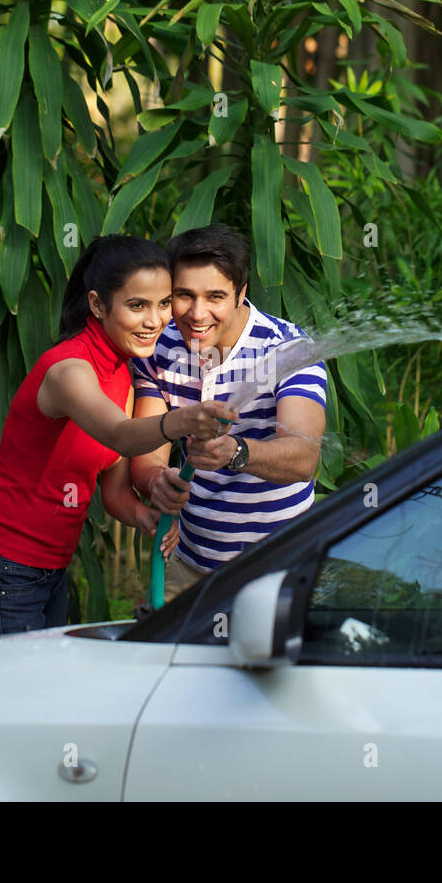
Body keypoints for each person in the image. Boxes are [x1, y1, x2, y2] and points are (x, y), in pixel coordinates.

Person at [0, 235, 236, 638]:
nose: (155, 320)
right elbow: (121, 435)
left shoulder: (122, 375)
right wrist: (186, 420)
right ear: (98, 304)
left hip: (47, 571)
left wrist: (146, 516)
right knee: (17, 699)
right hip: (2, 570)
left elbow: (115, 492)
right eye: (137, 305)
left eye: (162, 304)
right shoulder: (69, 371)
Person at [130, 224, 328, 601]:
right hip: (189, 565)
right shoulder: (159, 346)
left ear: (241, 294)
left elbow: (304, 455)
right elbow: (146, 445)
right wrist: (156, 480)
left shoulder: (288, 349)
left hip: (278, 570)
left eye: (215, 296)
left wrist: (237, 452)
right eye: (184, 295)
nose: (197, 313)